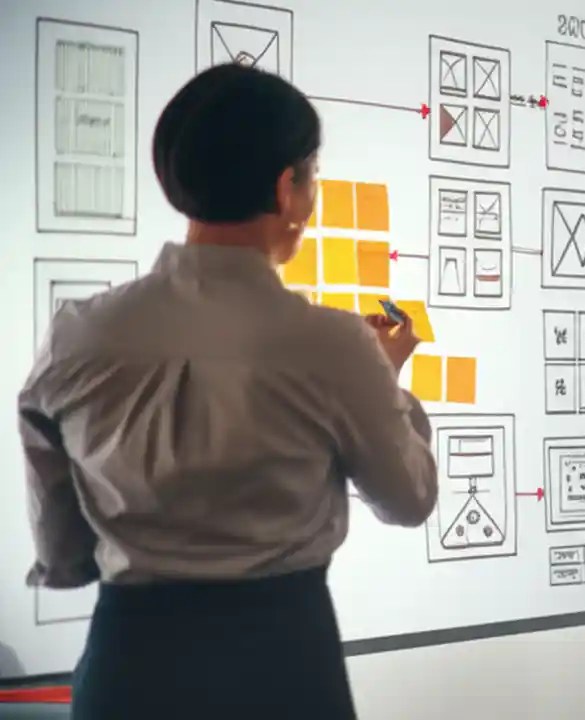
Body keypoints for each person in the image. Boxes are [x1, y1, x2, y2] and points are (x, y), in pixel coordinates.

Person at [19, 64, 438, 719]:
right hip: (282, 665)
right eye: (313, 174)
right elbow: (410, 499)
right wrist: (385, 380)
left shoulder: (78, 333)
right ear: (285, 188)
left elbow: (61, 552)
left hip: (129, 666)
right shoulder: (334, 343)